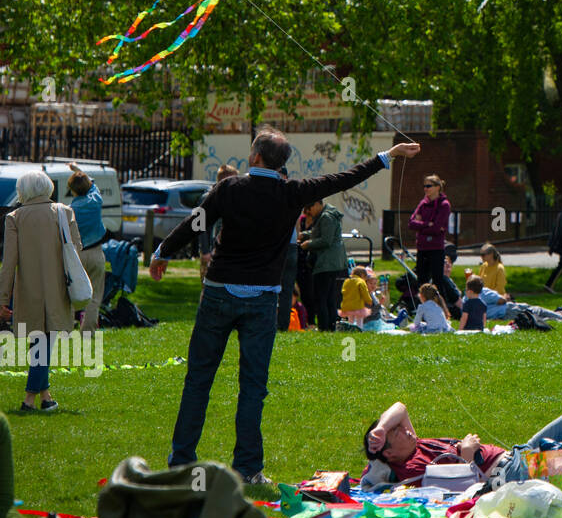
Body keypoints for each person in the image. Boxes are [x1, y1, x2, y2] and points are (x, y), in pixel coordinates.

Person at [150, 128, 420, 484]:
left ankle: (181, 463)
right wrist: (389, 155)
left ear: (255, 157)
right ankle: (247, 470)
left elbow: (195, 222)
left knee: (198, 380)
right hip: (262, 299)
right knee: (252, 387)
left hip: (219, 294)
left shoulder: (230, 188)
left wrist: (161, 252)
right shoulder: (293, 192)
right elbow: (345, 177)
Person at [362, 402, 562, 502]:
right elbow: (464, 494)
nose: (404, 428)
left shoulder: (417, 441)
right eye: (394, 432)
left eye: (397, 426)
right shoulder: (410, 472)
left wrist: (380, 429)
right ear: (389, 455)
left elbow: (400, 407)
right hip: (504, 478)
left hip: (514, 456)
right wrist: (468, 457)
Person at [0, 171, 81, 414]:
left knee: (40, 340)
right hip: (58, 286)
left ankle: (38, 398)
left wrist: (3, 298)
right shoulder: (65, 212)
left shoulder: (15, 217)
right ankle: (33, 399)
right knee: (43, 341)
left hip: (29, 289)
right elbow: (76, 249)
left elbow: (9, 262)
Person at [65, 163, 107, 334]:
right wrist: (77, 169)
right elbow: (91, 183)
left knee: (69, 294)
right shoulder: (96, 201)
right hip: (96, 252)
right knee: (94, 296)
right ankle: (88, 331)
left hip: (77, 255)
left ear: (72, 190)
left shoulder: (70, 210)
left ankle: (65, 328)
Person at [300, 198, 346, 332]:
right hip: (332, 262)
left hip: (326, 263)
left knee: (321, 298)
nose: (309, 213)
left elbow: (326, 240)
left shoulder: (326, 217)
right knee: (329, 297)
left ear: (316, 204)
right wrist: (306, 235)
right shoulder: (326, 215)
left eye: (309, 210)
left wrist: (308, 244)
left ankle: (324, 328)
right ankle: (330, 327)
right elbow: (320, 233)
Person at [409, 175, 451, 297]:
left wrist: (421, 225)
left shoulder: (444, 205)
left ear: (438, 187)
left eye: (429, 186)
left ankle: (442, 310)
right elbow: (411, 223)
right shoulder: (423, 203)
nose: (426, 189)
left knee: (437, 280)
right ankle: (422, 310)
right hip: (422, 247)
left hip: (436, 248)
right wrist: (428, 224)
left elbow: (437, 228)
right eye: (424, 186)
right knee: (422, 281)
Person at [275, 166, 299, 332]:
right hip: (292, 245)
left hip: (278, 246)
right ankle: (283, 324)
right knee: (287, 288)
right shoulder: (293, 194)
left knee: (271, 286)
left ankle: (272, 323)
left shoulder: (274, 194)